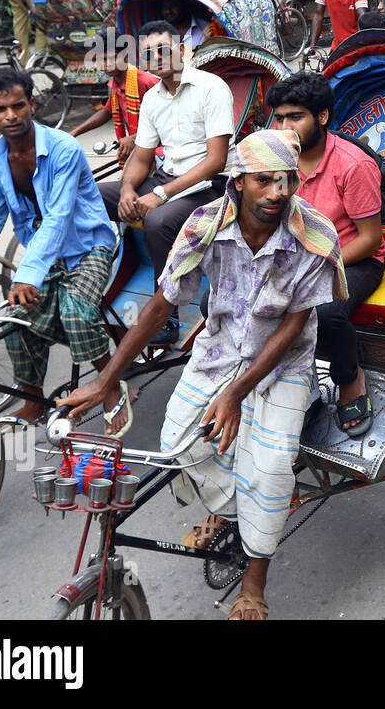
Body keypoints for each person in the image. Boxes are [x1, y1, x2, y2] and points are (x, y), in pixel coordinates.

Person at [60, 129, 347, 621]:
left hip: (283, 364)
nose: (277, 193)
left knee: (272, 468)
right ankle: (242, 511)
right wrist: (108, 378)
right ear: (237, 183)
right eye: (264, 181)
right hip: (217, 353)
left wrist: (236, 394)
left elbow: (294, 328)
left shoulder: (313, 234)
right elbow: (161, 305)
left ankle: (254, 582)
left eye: (285, 182)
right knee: (178, 445)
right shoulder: (202, 226)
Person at [0, 69, 127, 434]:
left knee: (77, 313)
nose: (10, 116)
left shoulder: (63, 149)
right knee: (16, 318)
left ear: (32, 104)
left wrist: (25, 275)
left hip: (89, 244)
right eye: (0, 109)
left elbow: (57, 218)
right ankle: (34, 400)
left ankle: (111, 384)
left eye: (18, 106)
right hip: (45, 252)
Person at [99, 20, 233, 346]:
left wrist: (160, 194)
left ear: (181, 49)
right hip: (166, 178)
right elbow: (142, 158)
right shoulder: (152, 99)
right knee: (96, 194)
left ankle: (167, 316)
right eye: (148, 53)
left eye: (163, 49)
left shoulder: (211, 87)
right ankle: (98, 279)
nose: (156, 58)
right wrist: (129, 189)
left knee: (158, 220)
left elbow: (216, 159)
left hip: (209, 185)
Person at [267, 74, 385, 436]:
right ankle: (293, 382)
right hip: (293, 255)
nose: (285, 127)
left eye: (295, 117)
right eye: (280, 117)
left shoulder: (353, 165)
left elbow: (369, 238)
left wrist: (316, 265)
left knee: (323, 311)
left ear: (321, 117)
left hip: (353, 258)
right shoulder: (274, 157)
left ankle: (350, 376)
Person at [70, 27, 161, 162]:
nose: (108, 64)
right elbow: (107, 112)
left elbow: (166, 121)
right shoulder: (116, 83)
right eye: (103, 59)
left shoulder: (145, 82)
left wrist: (134, 138)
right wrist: (74, 132)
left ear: (125, 56)